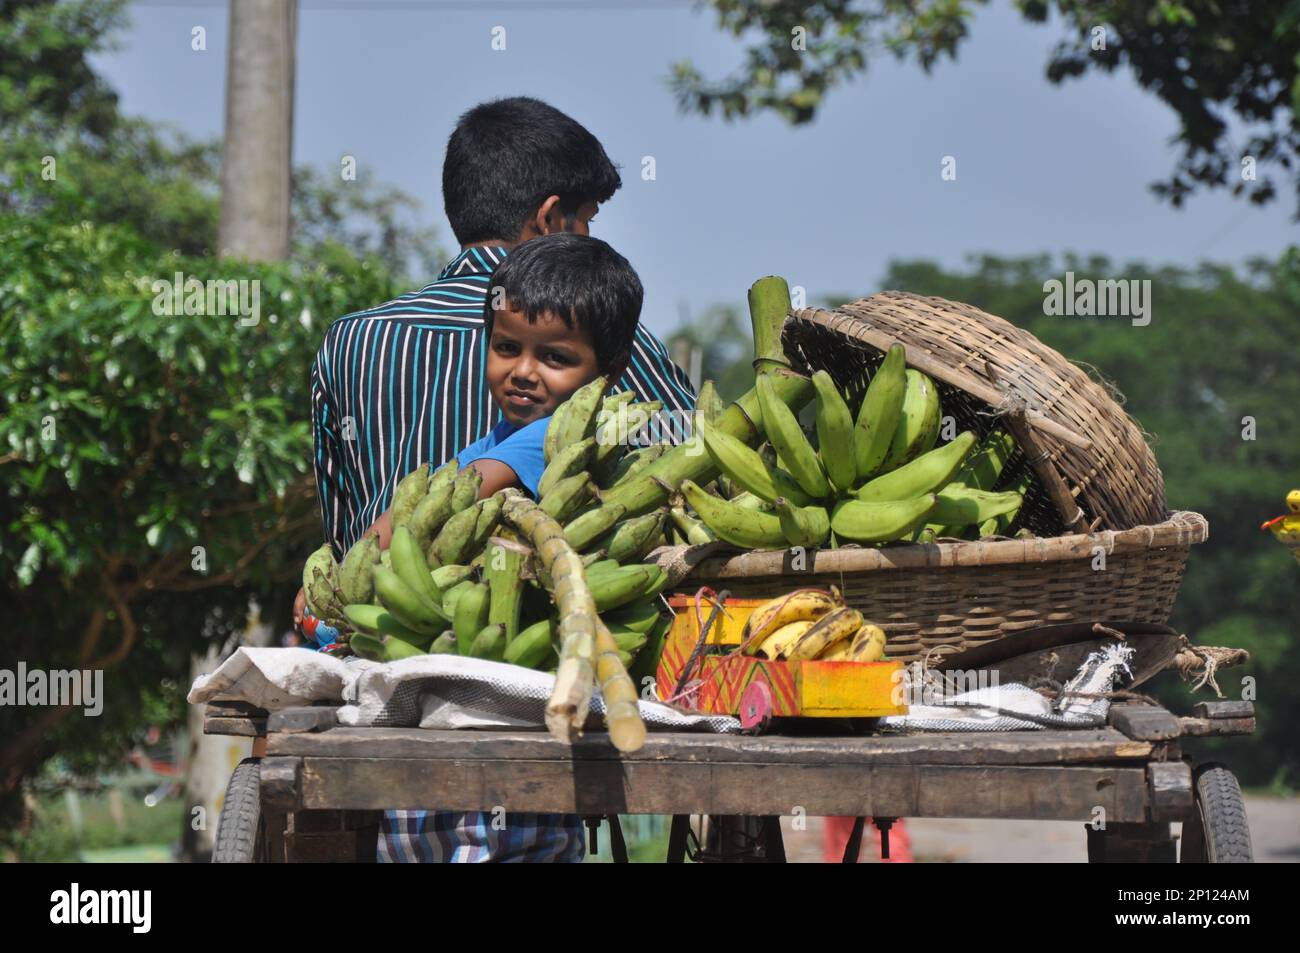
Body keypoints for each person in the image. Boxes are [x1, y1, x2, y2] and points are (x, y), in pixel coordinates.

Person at [306, 96, 695, 570]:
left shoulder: (349, 341)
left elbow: (341, 533)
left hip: (369, 618)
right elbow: (689, 475)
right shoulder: (608, 340)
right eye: (587, 220)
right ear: (551, 218)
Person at [378, 232, 644, 862]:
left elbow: (436, 513)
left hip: (508, 715)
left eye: (554, 356)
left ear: (608, 372)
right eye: (505, 348)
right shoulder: (503, 434)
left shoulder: (554, 439)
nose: (523, 371)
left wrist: (356, 560)